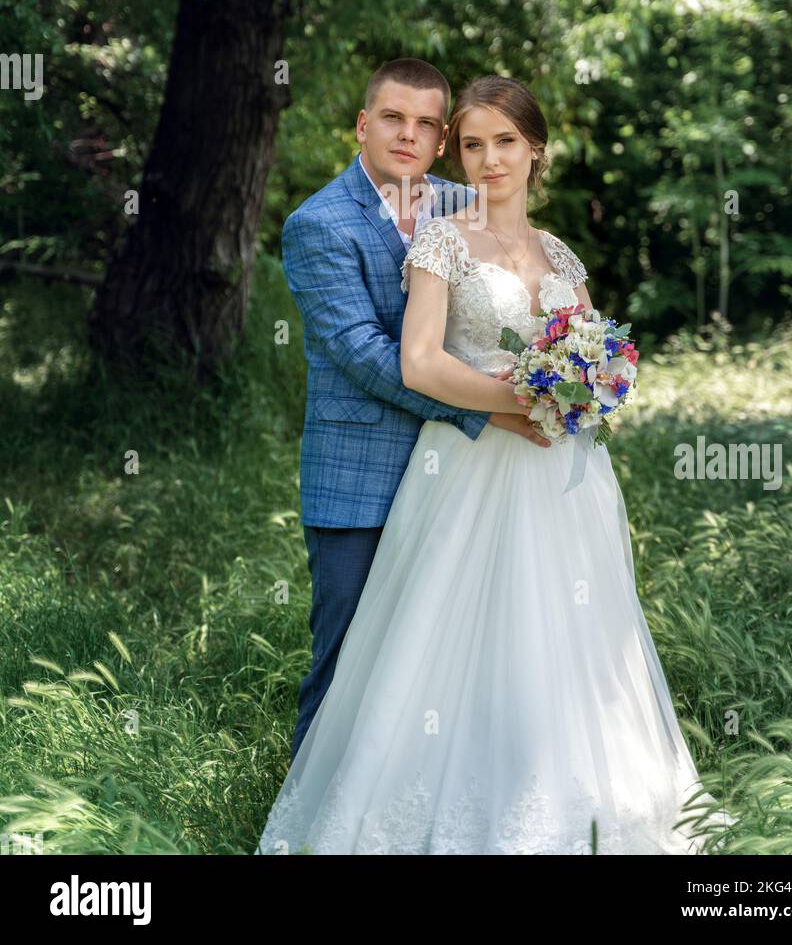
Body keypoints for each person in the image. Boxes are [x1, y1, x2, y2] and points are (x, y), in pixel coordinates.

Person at [256, 73, 735, 855]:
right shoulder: (332, 226)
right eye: (394, 120)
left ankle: (550, 806)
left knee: (548, 636)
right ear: (362, 124)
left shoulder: (498, 222)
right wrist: (514, 408)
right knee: (364, 661)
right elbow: (381, 357)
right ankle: (339, 816)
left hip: (552, 474)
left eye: (484, 139)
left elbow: (588, 347)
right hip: (419, 466)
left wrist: (588, 391)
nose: (481, 156)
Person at [278, 59, 547, 764]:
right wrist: (489, 409)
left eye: (428, 123)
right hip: (361, 476)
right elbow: (364, 352)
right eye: (394, 118)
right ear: (364, 125)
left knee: (445, 659)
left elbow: (520, 286)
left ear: (441, 140)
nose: (409, 134)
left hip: (462, 481)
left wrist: (564, 372)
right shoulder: (318, 224)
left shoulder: (465, 204)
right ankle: (311, 819)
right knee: (348, 660)